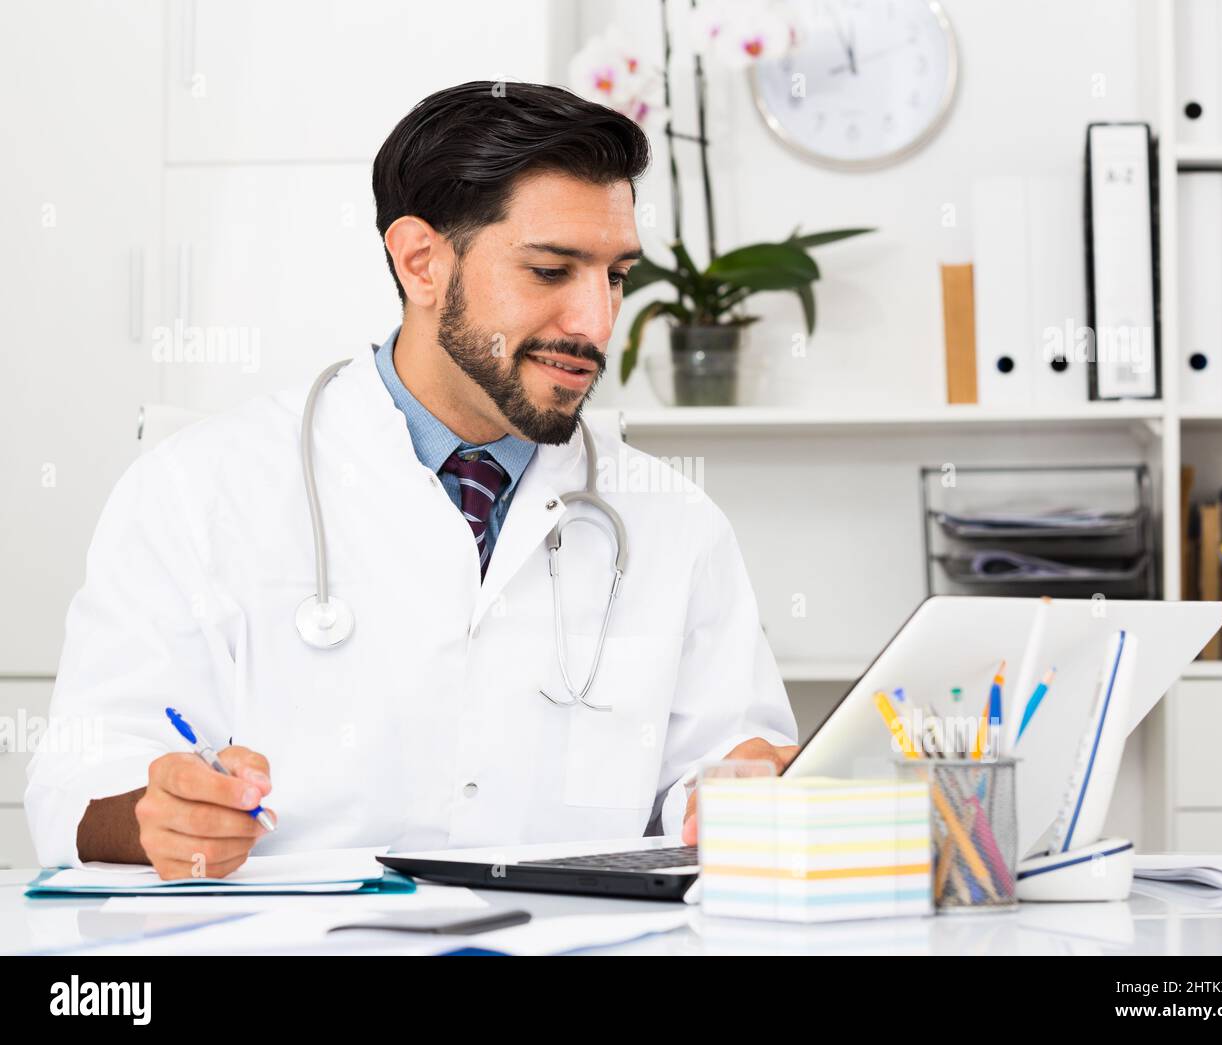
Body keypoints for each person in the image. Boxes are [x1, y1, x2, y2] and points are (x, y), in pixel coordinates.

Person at [25, 81, 797, 879]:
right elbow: (80, 788)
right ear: (420, 261)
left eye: (615, 276)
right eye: (550, 270)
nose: (596, 323)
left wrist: (734, 786)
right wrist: (162, 814)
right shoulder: (195, 490)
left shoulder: (676, 523)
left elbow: (714, 771)